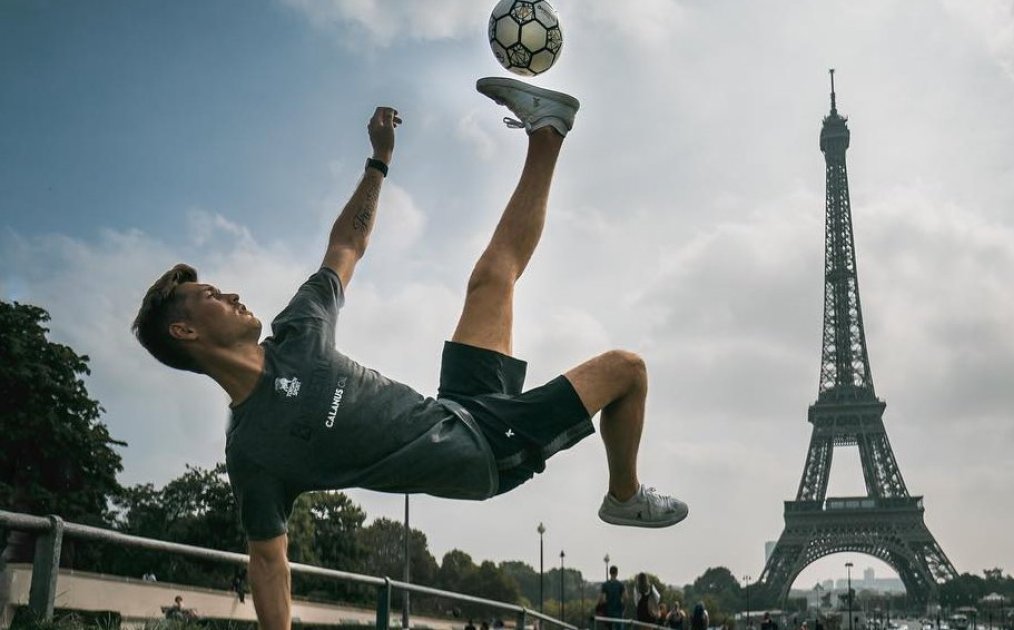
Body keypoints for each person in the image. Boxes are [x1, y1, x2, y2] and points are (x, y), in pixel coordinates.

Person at [131, 77, 688, 630]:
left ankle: (547, 130)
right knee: (627, 370)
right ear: (184, 331)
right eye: (211, 296)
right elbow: (268, 563)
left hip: (456, 408)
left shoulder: (298, 330)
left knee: (493, 275)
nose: (230, 294)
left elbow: (346, 245)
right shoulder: (254, 451)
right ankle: (624, 495)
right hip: (482, 451)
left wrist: (379, 161)